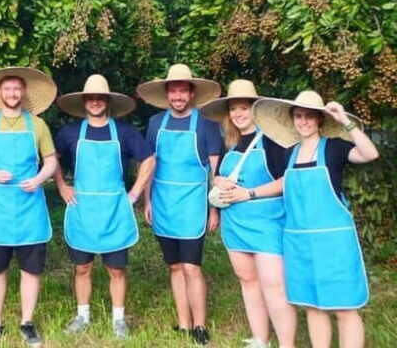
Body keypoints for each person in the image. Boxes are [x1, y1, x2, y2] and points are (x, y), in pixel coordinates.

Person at [253, 91, 378, 348]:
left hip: (334, 243)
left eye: (309, 116)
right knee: (313, 305)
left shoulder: (334, 147)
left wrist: (345, 120)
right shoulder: (290, 153)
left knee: (344, 308)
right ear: (292, 120)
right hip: (300, 242)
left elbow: (370, 154)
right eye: (298, 116)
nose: (304, 121)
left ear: (319, 120)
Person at [53, 74, 156, 339]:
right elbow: (51, 159)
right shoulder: (70, 132)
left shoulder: (125, 131)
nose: (96, 102)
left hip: (114, 209)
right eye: (91, 97)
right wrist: (63, 186)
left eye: (100, 98)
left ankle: (119, 319)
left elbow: (149, 160)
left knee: (116, 269)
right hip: (82, 208)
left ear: (107, 101)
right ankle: (82, 315)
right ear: (84, 101)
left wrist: (134, 194)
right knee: (81, 268)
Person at [200, 80, 297, 348]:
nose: (238, 114)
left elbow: (287, 181)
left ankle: (287, 344)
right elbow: (219, 175)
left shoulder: (273, 141)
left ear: (255, 109)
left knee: (274, 288)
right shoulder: (229, 142)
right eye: (233, 109)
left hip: (268, 223)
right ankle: (260, 339)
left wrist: (249, 194)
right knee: (248, 281)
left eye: (244, 108)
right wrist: (217, 182)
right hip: (235, 224)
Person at [0, 67, 58, 346]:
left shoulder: (38, 125)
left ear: (24, 92)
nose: (12, 93)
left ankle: (27, 322)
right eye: (7, 89)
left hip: (30, 208)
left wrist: (41, 178)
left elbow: (51, 160)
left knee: (31, 269)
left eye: (17, 88)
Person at [137, 64, 222, 345]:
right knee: (174, 267)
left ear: (191, 93)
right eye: (173, 90)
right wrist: (147, 200)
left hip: (192, 207)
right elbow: (150, 165)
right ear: (167, 94)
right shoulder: (154, 123)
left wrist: (214, 209)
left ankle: (199, 326)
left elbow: (215, 172)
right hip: (162, 204)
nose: (177, 95)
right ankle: (184, 323)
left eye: (182, 89)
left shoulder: (206, 125)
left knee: (191, 268)